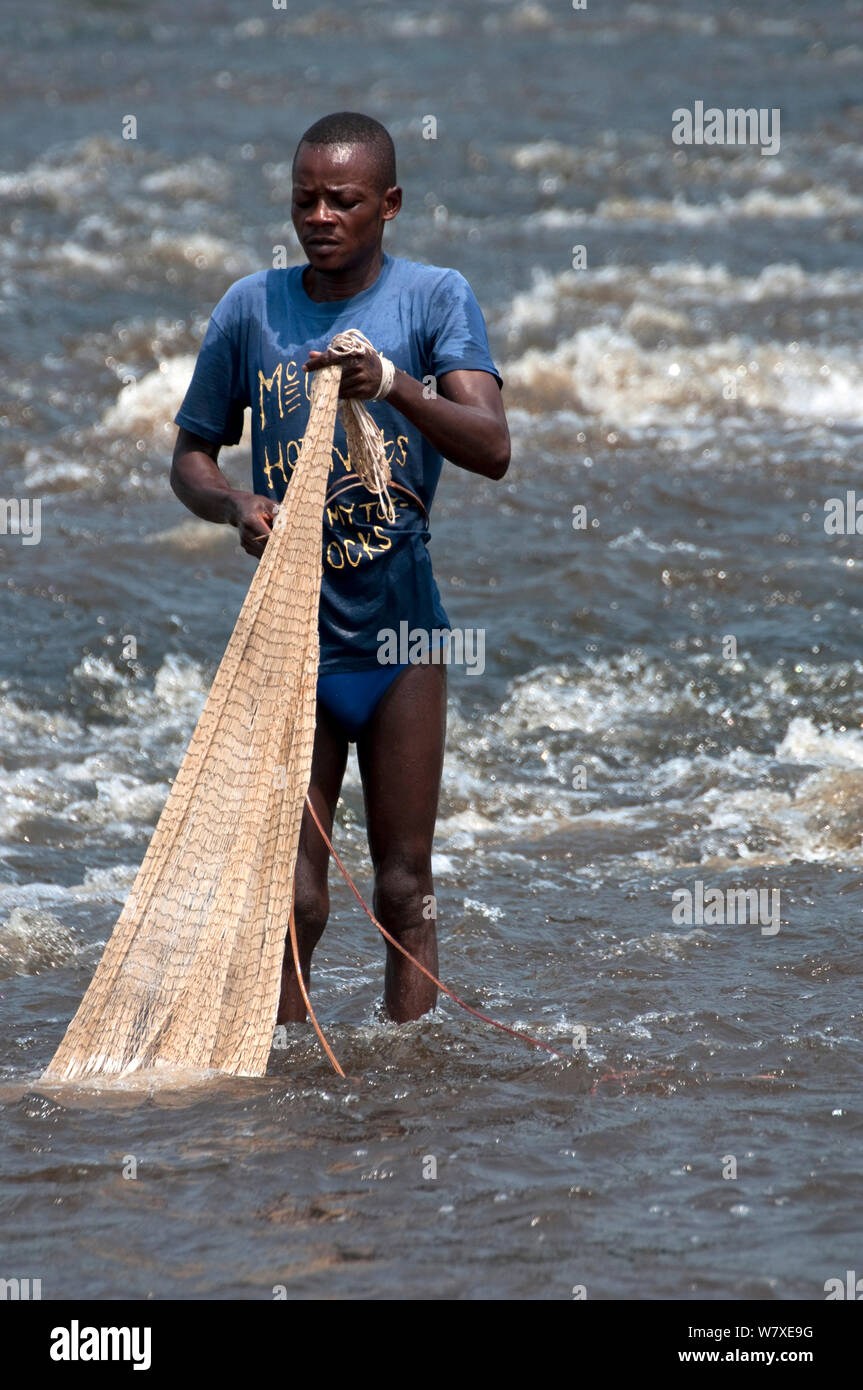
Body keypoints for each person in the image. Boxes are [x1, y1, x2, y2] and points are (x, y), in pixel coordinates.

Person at [170, 111, 509, 1027]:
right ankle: (286, 1080)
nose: (320, 216)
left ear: (388, 204)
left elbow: (492, 446)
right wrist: (235, 505)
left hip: (400, 636)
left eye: (343, 200)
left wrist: (394, 384)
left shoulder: (435, 298)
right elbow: (191, 456)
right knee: (297, 898)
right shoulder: (252, 307)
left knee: (404, 888)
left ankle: (415, 1079)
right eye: (304, 199)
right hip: (293, 640)